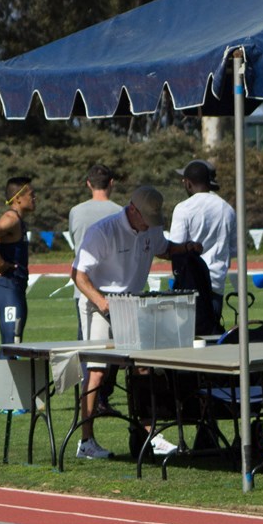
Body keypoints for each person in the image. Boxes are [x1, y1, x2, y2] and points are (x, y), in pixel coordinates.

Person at [71, 186, 201, 460]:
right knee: (97, 372)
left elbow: (164, 249)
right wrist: (103, 302)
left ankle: (148, 434)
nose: (149, 227)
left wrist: (187, 248)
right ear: (132, 210)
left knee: (143, 367)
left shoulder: (150, 228)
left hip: (133, 303)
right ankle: (86, 440)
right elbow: (78, 274)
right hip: (99, 303)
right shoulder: (102, 232)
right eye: (146, 220)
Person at [167, 159, 236, 331]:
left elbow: (176, 249)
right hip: (216, 285)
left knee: (188, 342)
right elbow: (234, 250)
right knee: (211, 340)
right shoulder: (227, 209)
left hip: (189, 287)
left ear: (188, 184)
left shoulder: (184, 208)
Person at [67, 163, 124, 338]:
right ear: (111, 183)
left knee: (87, 344)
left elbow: (74, 242)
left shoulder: (76, 211)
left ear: (89, 184)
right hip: (114, 287)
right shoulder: (120, 212)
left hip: (84, 286)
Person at [0, 175, 35, 346]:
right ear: (18, 199)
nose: (34, 198)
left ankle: (2, 373)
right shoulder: (12, 218)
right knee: (11, 344)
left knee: (15, 343)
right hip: (7, 288)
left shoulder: (19, 221)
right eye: (31, 194)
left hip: (16, 287)